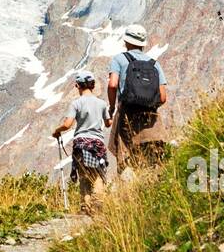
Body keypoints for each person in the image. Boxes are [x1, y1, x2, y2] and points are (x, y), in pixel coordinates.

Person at [106, 23, 168, 167]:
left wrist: (111, 106)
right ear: (143, 44)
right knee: (154, 164)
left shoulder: (119, 59)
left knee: (127, 163)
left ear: (126, 41)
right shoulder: (154, 64)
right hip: (151, 120)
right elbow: (163, 97)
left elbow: (112, 85)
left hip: (127, 116)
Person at [51, 69, 109, 210]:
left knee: (83, 175)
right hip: (97, 145)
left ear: (78, 85)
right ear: (93, 85)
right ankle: (98, 204)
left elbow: (67, 124)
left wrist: (57, 131)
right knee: (97, 175)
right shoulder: (101, 104)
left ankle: (85, 205)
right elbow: (108, 123)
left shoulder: (76, 104)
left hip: (81, 144)